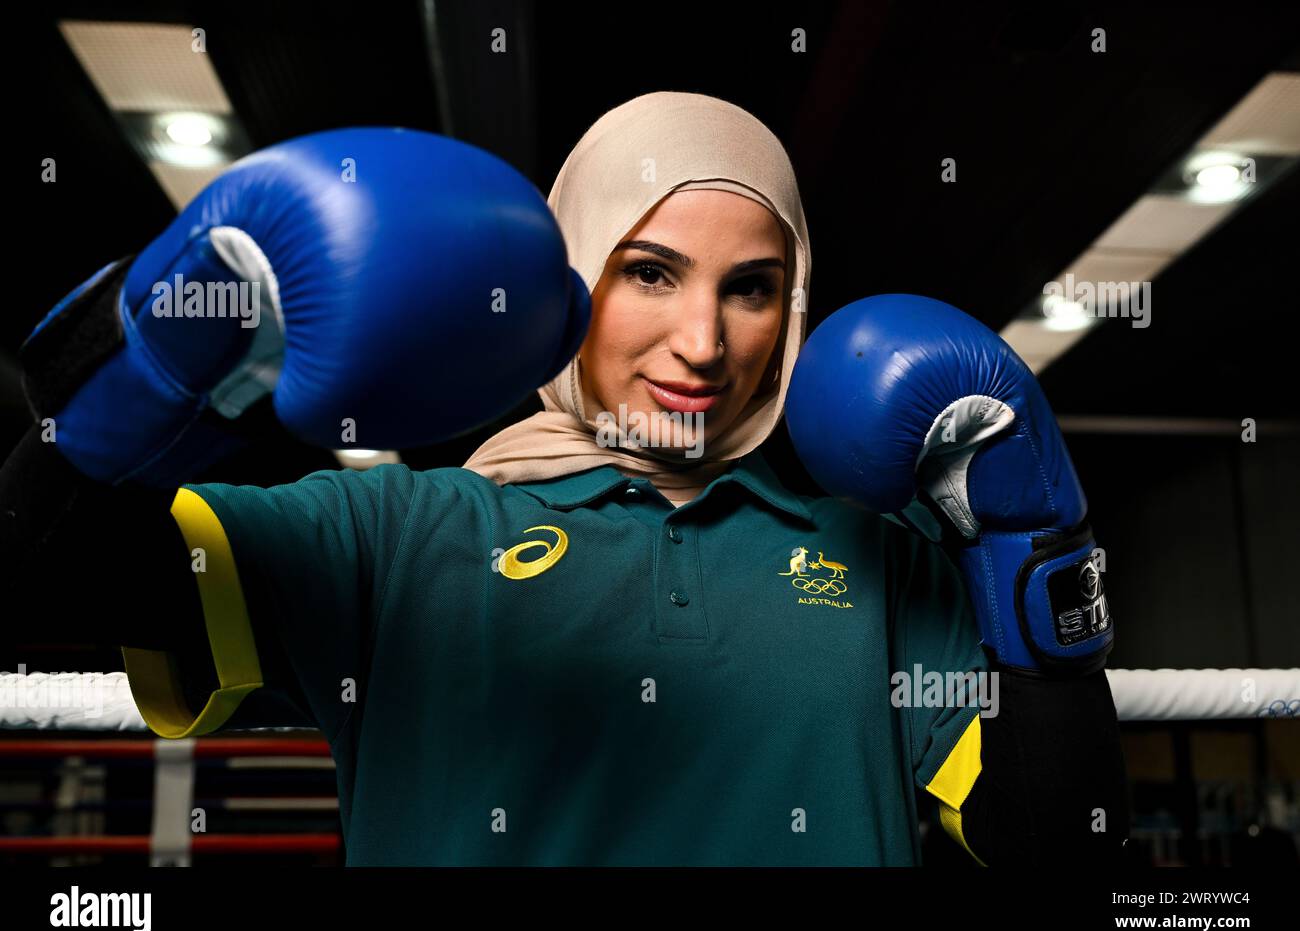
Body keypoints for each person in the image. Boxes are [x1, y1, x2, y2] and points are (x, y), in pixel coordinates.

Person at [1, 92, 1127, 865]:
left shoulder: (885, 565)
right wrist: (147, 349)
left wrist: (1031, 546)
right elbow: (54, 562)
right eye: (650, 271)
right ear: (570, 277)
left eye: (751, 287)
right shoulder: (392, 532)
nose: (702, 340)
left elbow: (1061, 841)